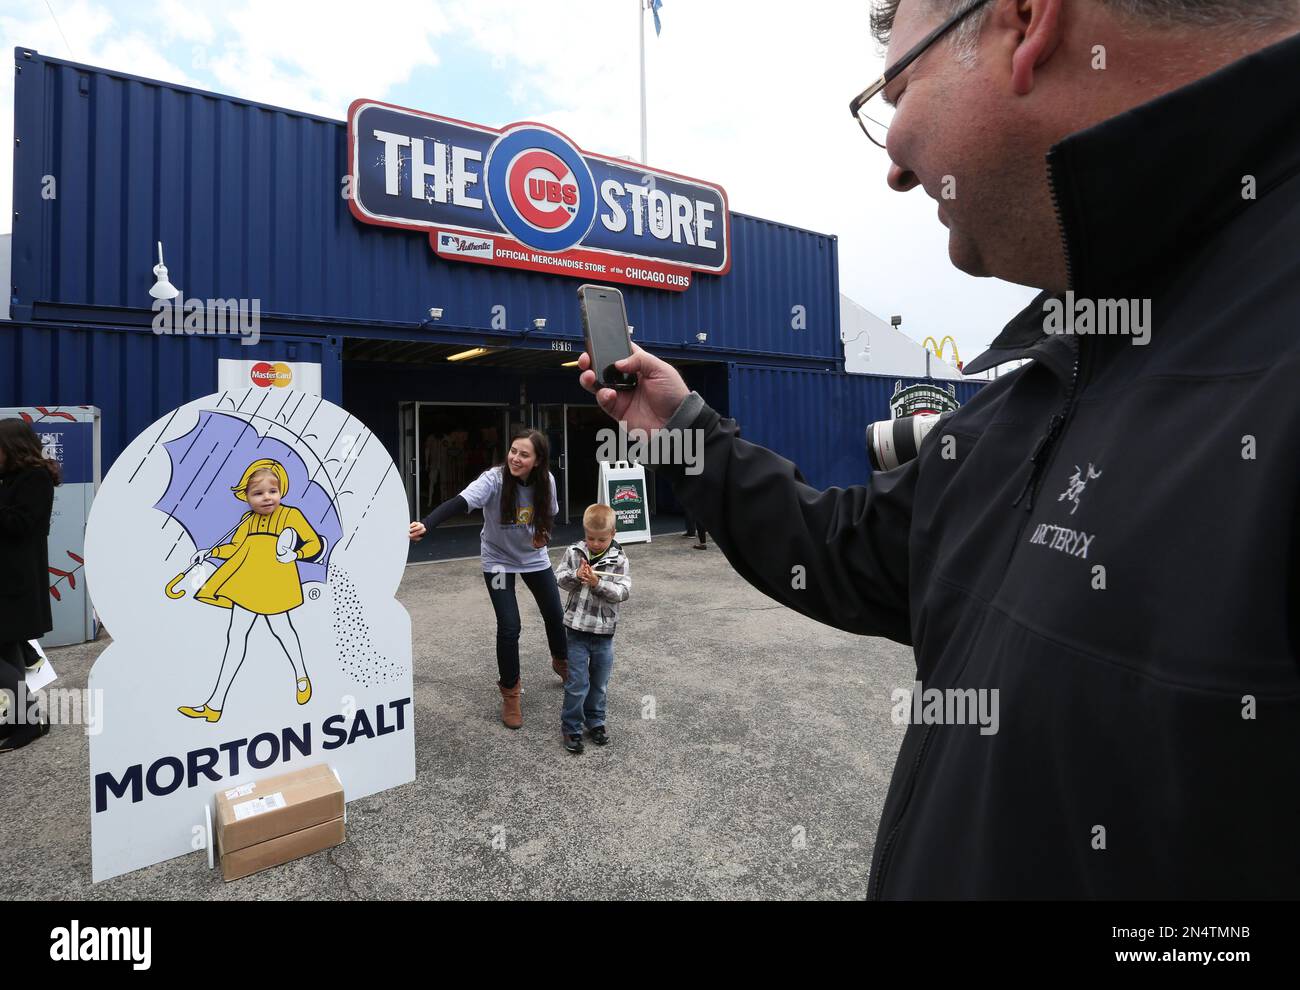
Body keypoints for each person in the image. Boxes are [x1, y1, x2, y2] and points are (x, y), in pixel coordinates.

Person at [578, 0, 1300, 898]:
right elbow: (836, 550)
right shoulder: (1059, 372)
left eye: (898, 90)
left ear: (1025, 21)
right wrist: (685, 428)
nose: (892, 168)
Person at [409, 427, 568, 729]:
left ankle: (562, 662)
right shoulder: (493, 479)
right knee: (510, 626)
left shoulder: (546, 481)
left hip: (534, 559)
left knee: (554, 614)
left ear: (537, 460)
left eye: (524, 454)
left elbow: (549, 516)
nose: (515, 458)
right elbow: (458, 502)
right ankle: (511, 693)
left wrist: (544, 534)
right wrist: (427, 524)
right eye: (513, 451)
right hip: (498, 562)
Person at [177, 459, 322, 723]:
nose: (267, 498)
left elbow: (314, 544)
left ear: (281, 492)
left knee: (282, 630)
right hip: (248, 582)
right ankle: (215, 704)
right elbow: (235, 548)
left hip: (276, 581)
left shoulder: (292, 516)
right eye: (258, 493)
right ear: (246, 496)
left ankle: (302, 676)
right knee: (236, 636)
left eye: (272, 491)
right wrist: (210, 553)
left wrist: (295, 553)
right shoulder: (246, 520)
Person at [0, 418, 59, 754]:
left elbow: (19, 524)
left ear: (12, 447)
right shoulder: (8, 478)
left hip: (16, 582)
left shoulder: (35, 479)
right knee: (6, 650)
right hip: (6, 580)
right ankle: (19, 720)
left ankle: (31, 717)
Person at [554, 504, 631, 753]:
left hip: (604, 633)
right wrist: (577, 575)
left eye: (601, 539)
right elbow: (559, 578)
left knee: (599, 682)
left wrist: (598, 584)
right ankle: (572, 727)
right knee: (577, 683)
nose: (595, 543)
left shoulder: (619, 559)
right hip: (576, 630)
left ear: (613, 534)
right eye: (590, 538)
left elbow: (623, 592)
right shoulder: (575, 551)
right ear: (584, 533)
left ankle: (596, 721)